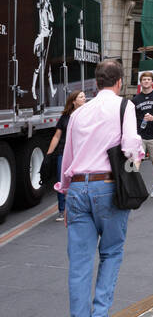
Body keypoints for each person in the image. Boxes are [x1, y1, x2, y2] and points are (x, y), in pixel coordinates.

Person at [58, 59, 144, 317]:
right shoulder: (125, 107)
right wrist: (138, 159)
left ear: (96, 84)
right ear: (119, 82)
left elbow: (68, 157)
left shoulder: (79, 113)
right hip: (108, 187)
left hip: (79, 188)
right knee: (111, 253)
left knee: (79, 265)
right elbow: (132, 148)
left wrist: (66, 197)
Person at [45, 90, 86, 221]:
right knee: (62, 181)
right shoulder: (65, 117)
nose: (84, 98)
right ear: (74, 101)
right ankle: (62, 210)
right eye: (81, 96)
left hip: (81, 153)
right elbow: (57, 136)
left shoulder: (88, 115)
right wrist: (48, 154)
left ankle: (80, 207)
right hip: (64, 153)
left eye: (84, 96)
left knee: (81, 181)